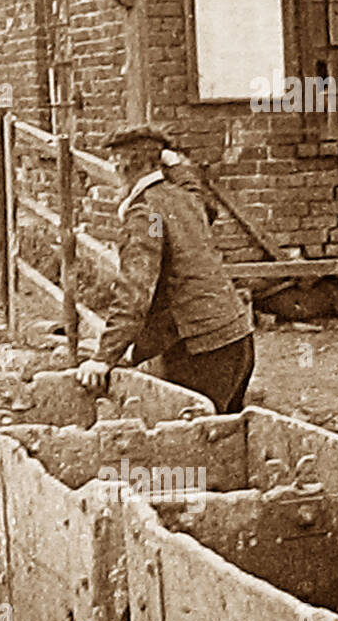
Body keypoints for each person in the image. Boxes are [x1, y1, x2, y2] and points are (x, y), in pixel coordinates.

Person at [76, 125, 255, 414]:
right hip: (238, 339)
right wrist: (178, 166)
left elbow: (135, 293)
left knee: (192, 445)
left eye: (115, 162)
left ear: (123, 166)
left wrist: (103, 357)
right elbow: (203, 199)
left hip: (201, 352)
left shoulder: (145, 214)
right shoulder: (183, 197)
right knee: (226, 442)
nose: (113, 170)